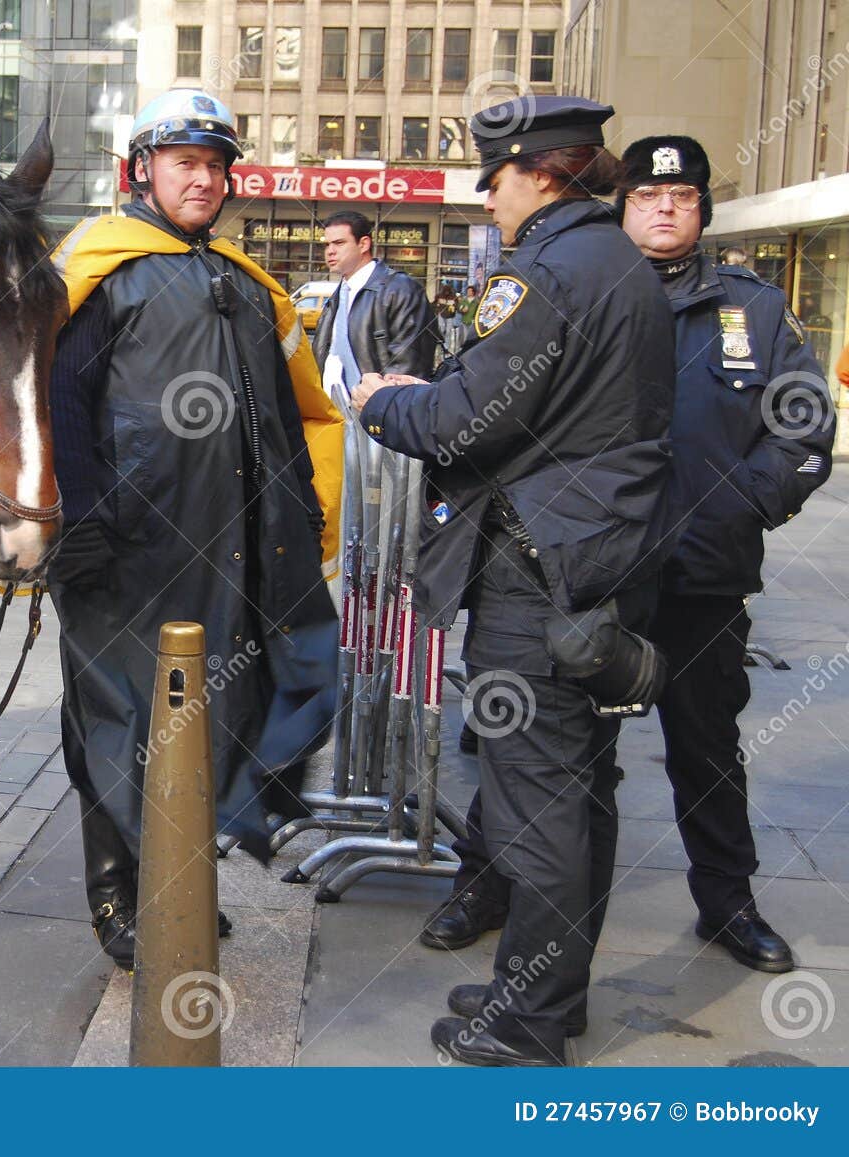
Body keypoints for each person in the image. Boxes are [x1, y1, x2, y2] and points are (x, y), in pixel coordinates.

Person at [350, 96, 677, 1065]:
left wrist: (385, 403)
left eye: (491, 179)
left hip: (537, 576)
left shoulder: (542, 271)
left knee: (539, 805)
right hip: (598, 560)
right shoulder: (619, 260)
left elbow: (463, 420)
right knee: (581, 795)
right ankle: (548, 992)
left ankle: (527, 1022)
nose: (485, 197)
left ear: (535, 172)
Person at [46, 89, 344, 969]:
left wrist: (301, 505)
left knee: (214, 721)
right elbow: (60, 401)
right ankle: (116, 892)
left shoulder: (249, 288)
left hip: (233, 551)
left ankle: (176, 884)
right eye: (185, 163)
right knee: (119, 722)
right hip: (127, 555)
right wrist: (84, 518)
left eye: (216, 166)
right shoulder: (100, 269)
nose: (204, 180)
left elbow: (286, 417)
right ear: (143, 170)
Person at [614, 135, 833, 969]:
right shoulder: (586, 293)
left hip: (704, 577)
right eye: (646, 196)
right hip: (596, 576)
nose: (665, 207)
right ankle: (497, 885)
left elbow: (805, 421)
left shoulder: (757, 307)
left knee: (706, 746)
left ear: (702, 210)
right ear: (623, 206)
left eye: (682, 197)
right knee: (556, 746)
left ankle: (727, 901)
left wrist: (743, 502)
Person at [310, 211, 437, 397]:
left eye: (339, 243)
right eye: (327, 244)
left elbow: (408, 368)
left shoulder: (401, 289)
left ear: (363, 244)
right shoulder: (339, 295)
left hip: (377, 415)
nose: (330, 251)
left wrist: (379, 409)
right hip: (337, 415)